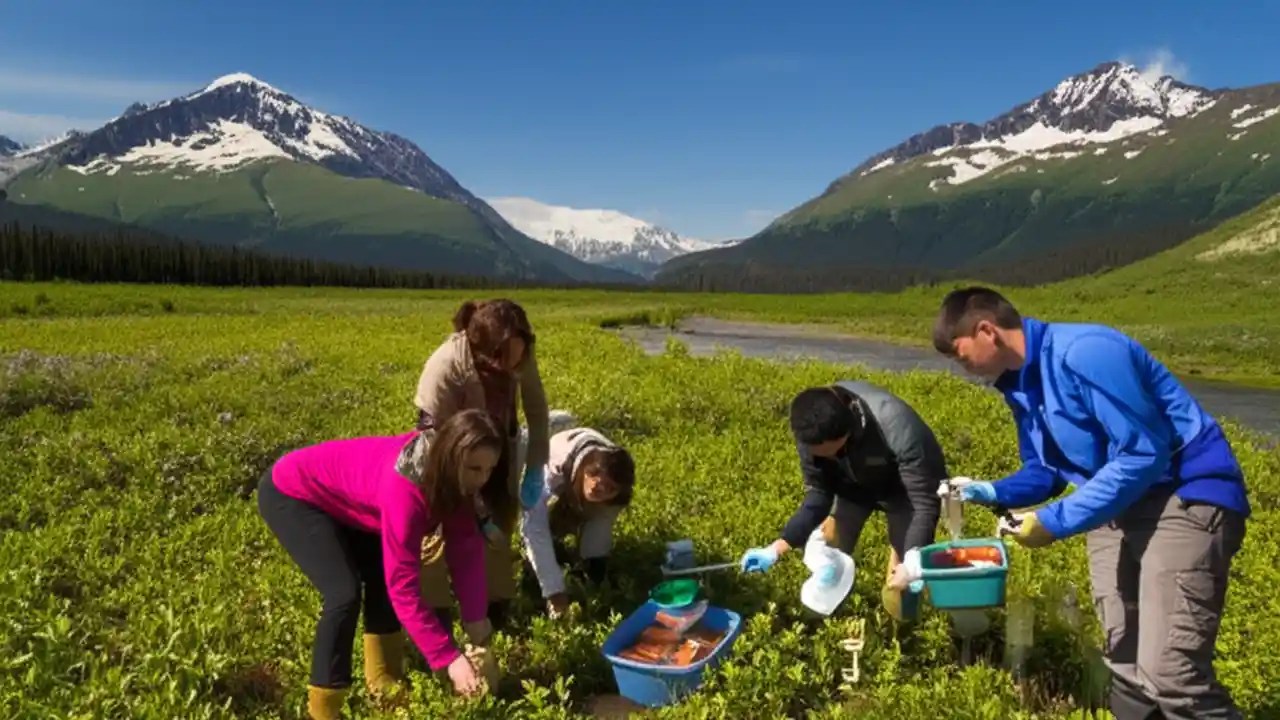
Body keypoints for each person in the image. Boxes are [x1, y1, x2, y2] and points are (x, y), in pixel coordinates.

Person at [929, 286, 1250, 720]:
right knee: (1123, 660)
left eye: (961, 357)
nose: (962, 369)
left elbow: (1144, 453)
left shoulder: (1085, 352)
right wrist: (989, 491)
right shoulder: (1020, 386)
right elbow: (1045, 470)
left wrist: (1054, 521)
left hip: (1183, 495)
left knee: (1173, 675)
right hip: (1113, 504)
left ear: (988, 331)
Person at [257, 409, 505, 720]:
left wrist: (475, 619)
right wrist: (447, 657)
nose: (481, 479)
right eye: (474, 468)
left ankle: (383, 680)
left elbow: (465, 549)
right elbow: (403, 587)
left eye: (489, 469)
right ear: (452, 458)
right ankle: (324, 707)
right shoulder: (406, 488)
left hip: (352, 505)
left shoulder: (457, 482)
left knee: (379, 574)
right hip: (293, 493)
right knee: (343, 593)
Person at [739, 380, 948, 621]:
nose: (831, 457)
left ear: (849, 432)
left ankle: (903, 630)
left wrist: (913, 559)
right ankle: (827, 624)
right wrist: (777, 547)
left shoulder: (897, 429)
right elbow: (819, 494)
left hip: (904, 493)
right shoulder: (810, 431)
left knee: (903, 576)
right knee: (829, 557)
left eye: (838, 451)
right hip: (852, 488)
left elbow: (923, 503)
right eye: (824, 455)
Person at [408, 298, 550, 627]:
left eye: (518, 359)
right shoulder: (445, 367)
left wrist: (535, 465)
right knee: (438, 534)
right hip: (447, 458)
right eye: (503, 362)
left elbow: (536, 408)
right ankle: (438, 615)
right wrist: (471, 498)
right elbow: (430, 440)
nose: (512, 368)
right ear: (479, 350)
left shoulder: (520, 352)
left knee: (498, 529)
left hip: (500, 446)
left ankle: (496, 609)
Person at [519, 423, 637, 617]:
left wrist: (594, 567)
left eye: (611, 488)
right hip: (549, 462)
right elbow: (533, 525)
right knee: (542, 524)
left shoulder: (616, 484)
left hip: (577, 479)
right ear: (587, 470)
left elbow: (603, 519)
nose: (602, 489)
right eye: (597, 479)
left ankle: (589, 564)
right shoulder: (553, 465)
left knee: (598, 526)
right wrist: (554, 590)